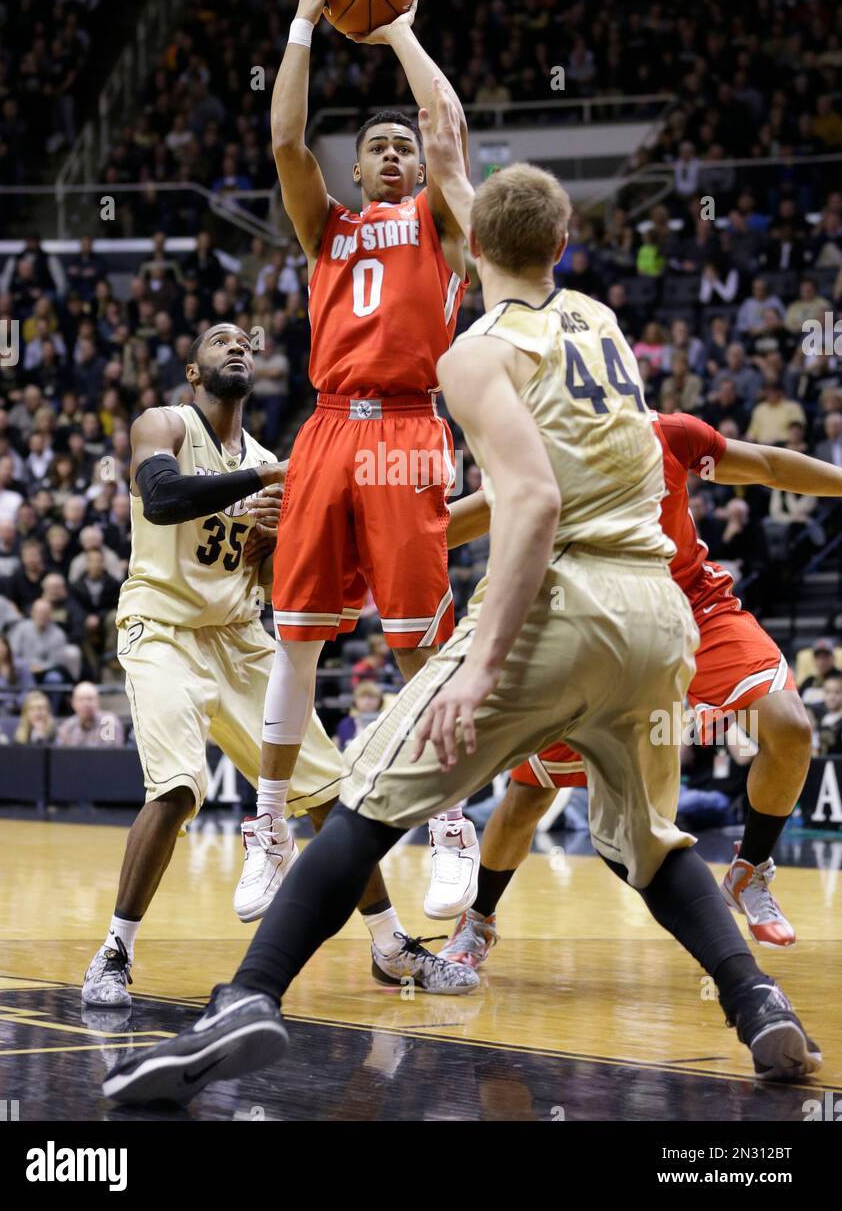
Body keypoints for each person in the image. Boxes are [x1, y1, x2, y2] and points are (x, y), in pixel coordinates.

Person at [105, 82, 820, 1107]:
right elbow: (453, 158)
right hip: (654, 616)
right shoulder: (602, 322)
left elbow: (525, 502)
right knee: (647, 840)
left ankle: (247, 995)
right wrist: (409, 50)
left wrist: (477, 664)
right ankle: (755, 1004)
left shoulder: (475, 349)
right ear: (564, 241)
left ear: (462, 236)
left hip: (564, 602)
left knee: (358, 800)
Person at [82, 323, 474, 1012]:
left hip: (238, 632)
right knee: (177, 788)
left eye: (243, 342)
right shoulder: (164, 423)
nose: (235, 347)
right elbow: (163, 497)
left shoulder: (272, 458)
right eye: (217, 342)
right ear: (194, 373)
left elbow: (274, 578)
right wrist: (265, 482)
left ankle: (388, 943)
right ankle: (115, 952)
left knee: (331, 795)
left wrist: (270, 540)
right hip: (163, 628)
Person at [234, 0, 471, 923]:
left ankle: (452, 824)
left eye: (398, 146)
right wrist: (301, 20)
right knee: (295, 639)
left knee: (418, 646)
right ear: (355, 163)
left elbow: (448, 128)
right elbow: (286, 135)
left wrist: (396, 28)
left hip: (409, 426)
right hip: (328, 429)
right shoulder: (325, 226)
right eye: (373, 143)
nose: (389, 151)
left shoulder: (439, 223)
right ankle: (269, 823)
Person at [437, 409, 842, 965]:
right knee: (529, 795)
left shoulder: (670, 433)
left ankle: (750, 871)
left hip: (693, 608)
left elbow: (769, 466)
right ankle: (478, 919)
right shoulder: (538, 455)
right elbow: (447, 527)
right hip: (598, 633)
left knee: (791, 727)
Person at [56, 680, 125, 747]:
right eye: (81, 699)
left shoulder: (108, 722)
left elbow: (114, 754)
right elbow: (60, 754)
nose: (85, 703)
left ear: (97, 701)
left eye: (90, 699)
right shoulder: (67, 726)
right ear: (73, 703)